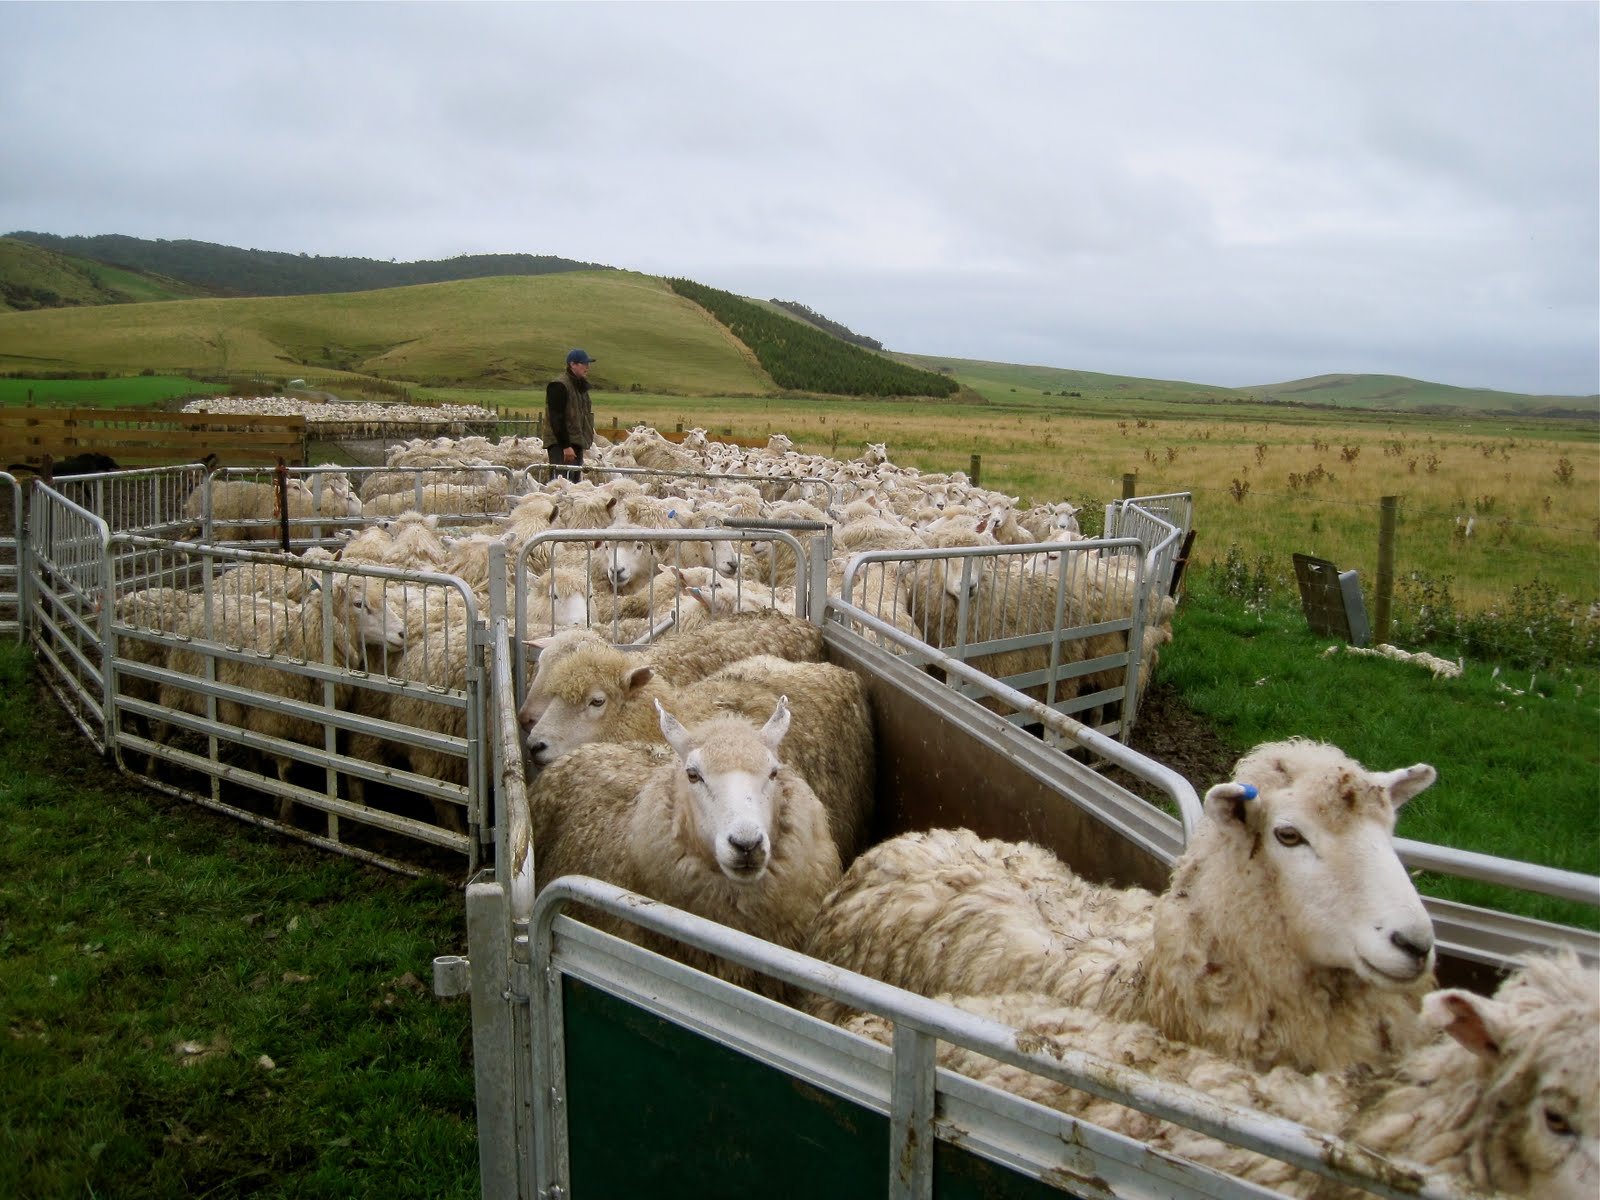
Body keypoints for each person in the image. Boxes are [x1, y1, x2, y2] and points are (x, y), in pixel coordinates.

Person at [545, 348, 597, 481]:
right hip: (561, 446)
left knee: (574, 486)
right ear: (572, 364)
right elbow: (556, 418)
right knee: (561, 485)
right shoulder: (559, 386)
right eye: (584, 364)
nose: (587, 368)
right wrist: (566, 446)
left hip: (576, 443)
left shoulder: (580, 388)